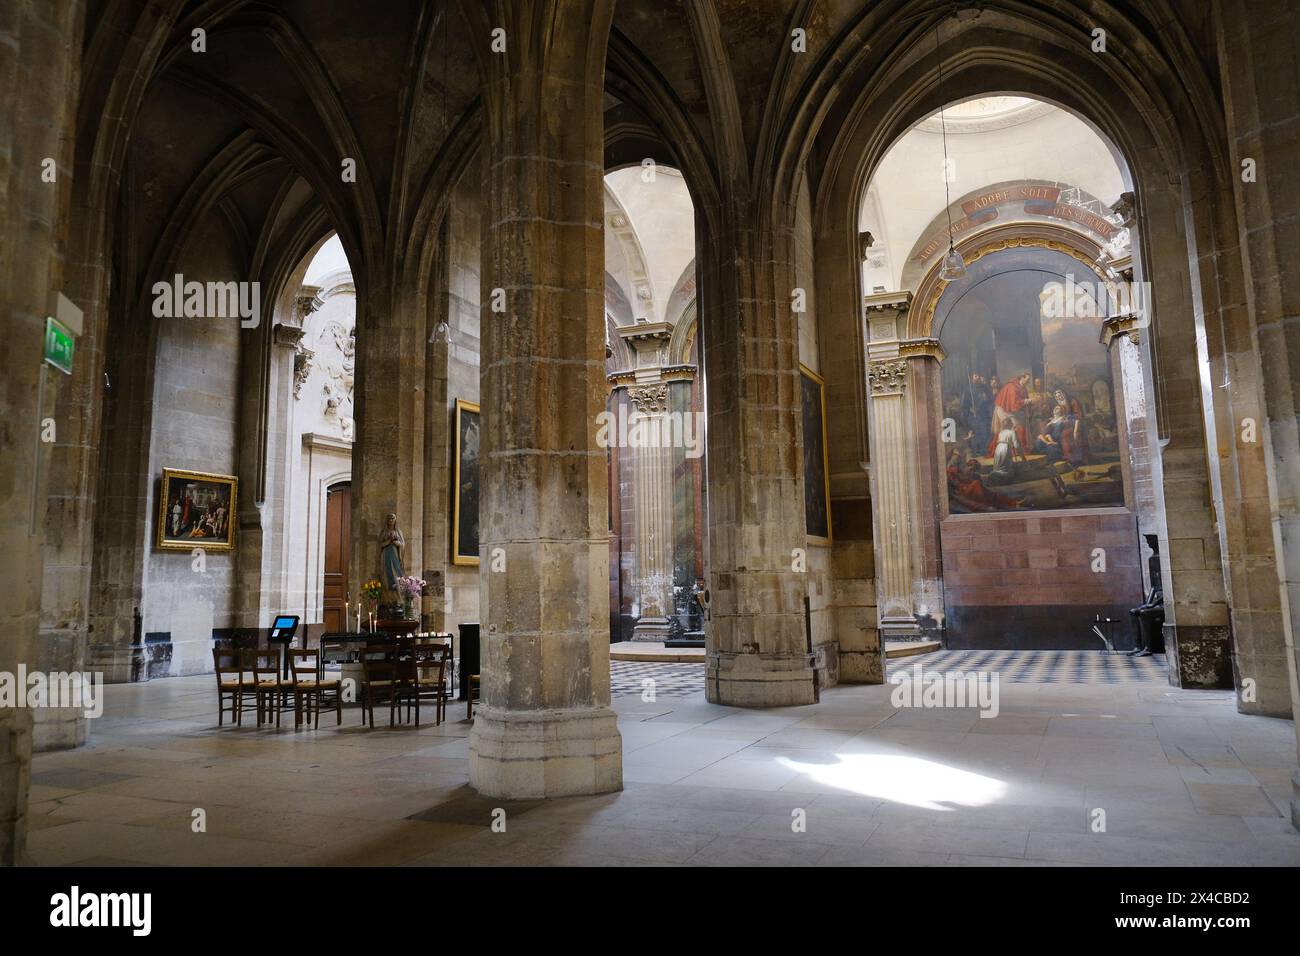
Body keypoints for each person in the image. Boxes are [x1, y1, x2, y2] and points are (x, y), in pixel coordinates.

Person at [988, 371, 1031, 455]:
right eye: (1027, 379)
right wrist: (1027, 401)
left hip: (1012, 411)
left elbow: (1021, 402)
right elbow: (1014, 402)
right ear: (1022, 377)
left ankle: (1018, 451)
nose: (1028, 382)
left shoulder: (1023, 388)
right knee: (1007, 430)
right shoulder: (1012, 386)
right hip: (1003, 410)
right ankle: (998, 450)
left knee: (1018, 429)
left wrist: (1029, 402)